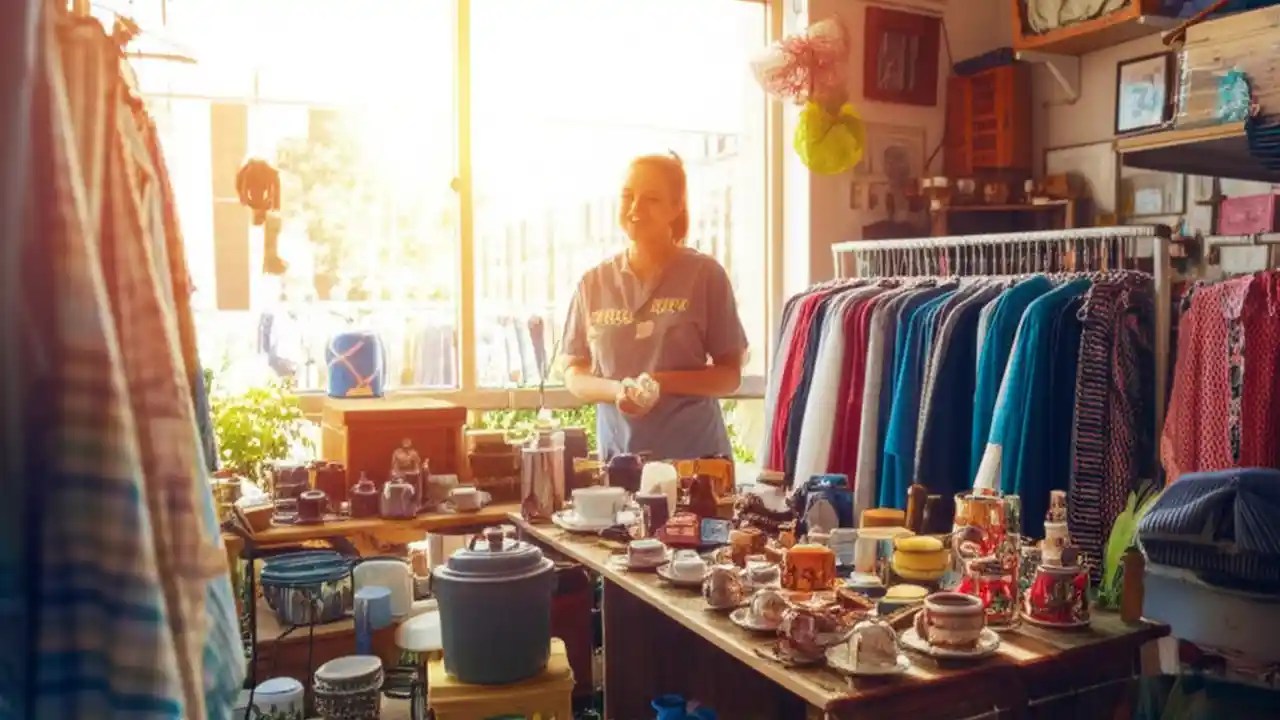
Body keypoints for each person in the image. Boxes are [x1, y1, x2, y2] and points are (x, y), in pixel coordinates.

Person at [560, 153, 748, 461]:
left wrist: (659, 383)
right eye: (628, 196)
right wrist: (618, 390)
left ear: (676, 208)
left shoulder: (705, 276)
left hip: (696, 463)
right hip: (619, 463)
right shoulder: (593, 283)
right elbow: (574, 372)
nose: (635, 209)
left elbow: (729, 375)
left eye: (651, 199)